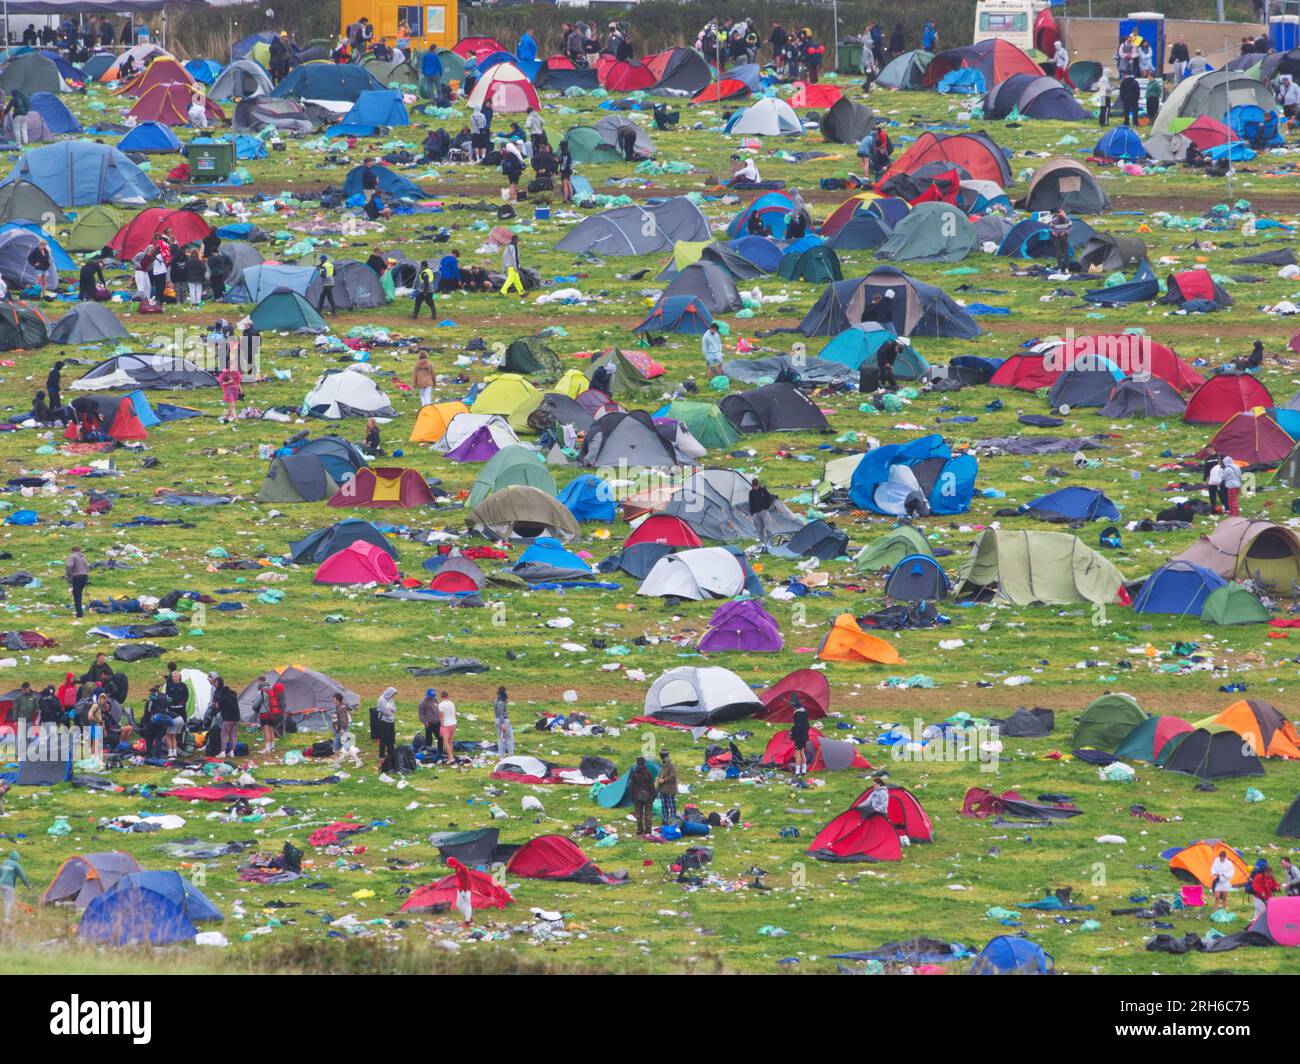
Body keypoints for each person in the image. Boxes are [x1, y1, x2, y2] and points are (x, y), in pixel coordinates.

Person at [257, 673, 285, 753]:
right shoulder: (271, 690)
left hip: (264, 714)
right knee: (271, 729)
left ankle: (267, 748)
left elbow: (256, 704)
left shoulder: (262, 692)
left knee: (266, 730)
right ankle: (272, 747)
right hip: (272, 713)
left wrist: (255, 708)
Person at [628, 756, 656, 835]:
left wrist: (632, 797)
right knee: (648, 814)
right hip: (648, 796)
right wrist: (653, 796)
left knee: (638, 815)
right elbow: (652, 786)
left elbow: (632, 786)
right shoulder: (648, 773)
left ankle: (640, 830)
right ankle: (648, 830)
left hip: (637, 796)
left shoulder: (634, 773)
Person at [0, 850, 29, 922]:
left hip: (1, 884)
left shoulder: (4, 862)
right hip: (8, 885)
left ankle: (7, 917)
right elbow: (23, 877)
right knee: (9, 901)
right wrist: (28, 885)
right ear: (17, 858)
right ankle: (7, 918)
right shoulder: (16, 865)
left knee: (6, 900)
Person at [749, 478, 776, 549]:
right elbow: (750, 503)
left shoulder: (763, 491)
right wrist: (753, 513)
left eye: (756, 485)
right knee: (760, 530)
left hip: (764, 512)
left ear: (758, 484)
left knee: (768, 529)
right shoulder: (751, 493)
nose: (755, 487)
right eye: (754, 486)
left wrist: (766, 508)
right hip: (756, 513)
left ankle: (771, 544)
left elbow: (770, 499)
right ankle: (762, 544)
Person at [447, 856, 474, 926]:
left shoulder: (463, 868)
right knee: (458, 904)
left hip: (466, 889)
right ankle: (468, 917)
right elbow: (460, 880)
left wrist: (465, 890)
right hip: (461, 888)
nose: (450, 867)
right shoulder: (456, 868)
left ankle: (467, 922)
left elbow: (467, 880)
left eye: (450, 865)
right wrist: (460, 889)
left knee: (467, 904)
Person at [375, 686, 397, 767]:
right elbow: (386, 711)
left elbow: (394, 709)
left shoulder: (390, 699)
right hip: (384, 722)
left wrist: (391, 709)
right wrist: (390, 710)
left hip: (391, 721)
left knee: (391, 738)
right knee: (384, 739)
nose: (392, 696)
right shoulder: (381, 700)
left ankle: (391, 754)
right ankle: (382, 755)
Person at [65, 547, 89, 618]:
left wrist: (68, 575)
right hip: (84, 576)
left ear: (72, 551)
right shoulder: (82, 557)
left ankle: (79, 613)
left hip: (77, 577)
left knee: (76, 595)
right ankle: (80, 611)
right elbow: (87, 568)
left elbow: (69, 566)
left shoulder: (73, 556)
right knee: (79, 593)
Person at [789, 695, 810, 777]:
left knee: (798, 753)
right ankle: (804, 770)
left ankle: (797, 771)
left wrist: (792, 732)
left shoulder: (797, 714)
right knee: (802, 752)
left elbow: (798, 727)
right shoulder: (804, 712)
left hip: (799, 736)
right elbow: (806, 726)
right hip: (804, 735)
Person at [418, 688, 442, 756]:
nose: (432, 697)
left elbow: (438, 709)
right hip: (428, 723)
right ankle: (428, 752)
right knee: (429, 739)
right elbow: (421, 714)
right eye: (431, 696)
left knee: (440, 737)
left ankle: (440, 751)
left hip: (437, 722)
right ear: (427, 694)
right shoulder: (423, 702)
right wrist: (425, 722)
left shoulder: (435, 700)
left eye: (433, 696)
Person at [656, 749, 678, 824]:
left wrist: (664, 780)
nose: (663, 758)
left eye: (664, 757)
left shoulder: (671, 766)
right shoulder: (662, 766)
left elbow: (673, 777)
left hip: (670, 790)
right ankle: (665, 820)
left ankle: (674, 820)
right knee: (664, 807)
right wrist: (658, 778)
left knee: (671, 806)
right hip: (662, 790)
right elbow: (660, 775)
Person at [501, 235, 524, 300]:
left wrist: (504, 267)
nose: (518, 242)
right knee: (510, 280)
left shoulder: (507, 247)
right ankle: (502, 291)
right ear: (515, 240)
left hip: (508, 266)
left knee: (517, 281)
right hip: (513, 267)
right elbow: (515, 258)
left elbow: (503, 257)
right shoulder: (515, 247)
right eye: (517, 240)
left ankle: (522, 293)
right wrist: (517, 267)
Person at [494, 687, 514, 757]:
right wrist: (502, 723)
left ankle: (501, 756)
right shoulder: (500, 702)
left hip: (497, 720)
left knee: (501, 739)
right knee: (509, 738)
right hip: (503, 720)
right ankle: (511, 755)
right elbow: (500, 713)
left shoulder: (496, 700)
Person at [438, 690, 457, 761]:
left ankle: (451, 758)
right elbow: (455, 713)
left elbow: (441, 715)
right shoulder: (452, 703)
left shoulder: (441, 705)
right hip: (453, 723)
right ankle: (451, 755)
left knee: (445, 741)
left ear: (441, 696)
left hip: (446, 725)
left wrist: (441, 725)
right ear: (447, 696)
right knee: (450, 740)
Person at [558, 139, 574, 204]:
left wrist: (561, 170)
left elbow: (564, 162)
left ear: (562, 146)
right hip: (569, 170)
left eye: (560, 145)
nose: (559, 147)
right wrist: (558, 161)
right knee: (568, 183)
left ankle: (565, 199)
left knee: (564, 184)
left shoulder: (564, 153)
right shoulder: (568, 152)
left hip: (565, 170)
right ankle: (572, 198)